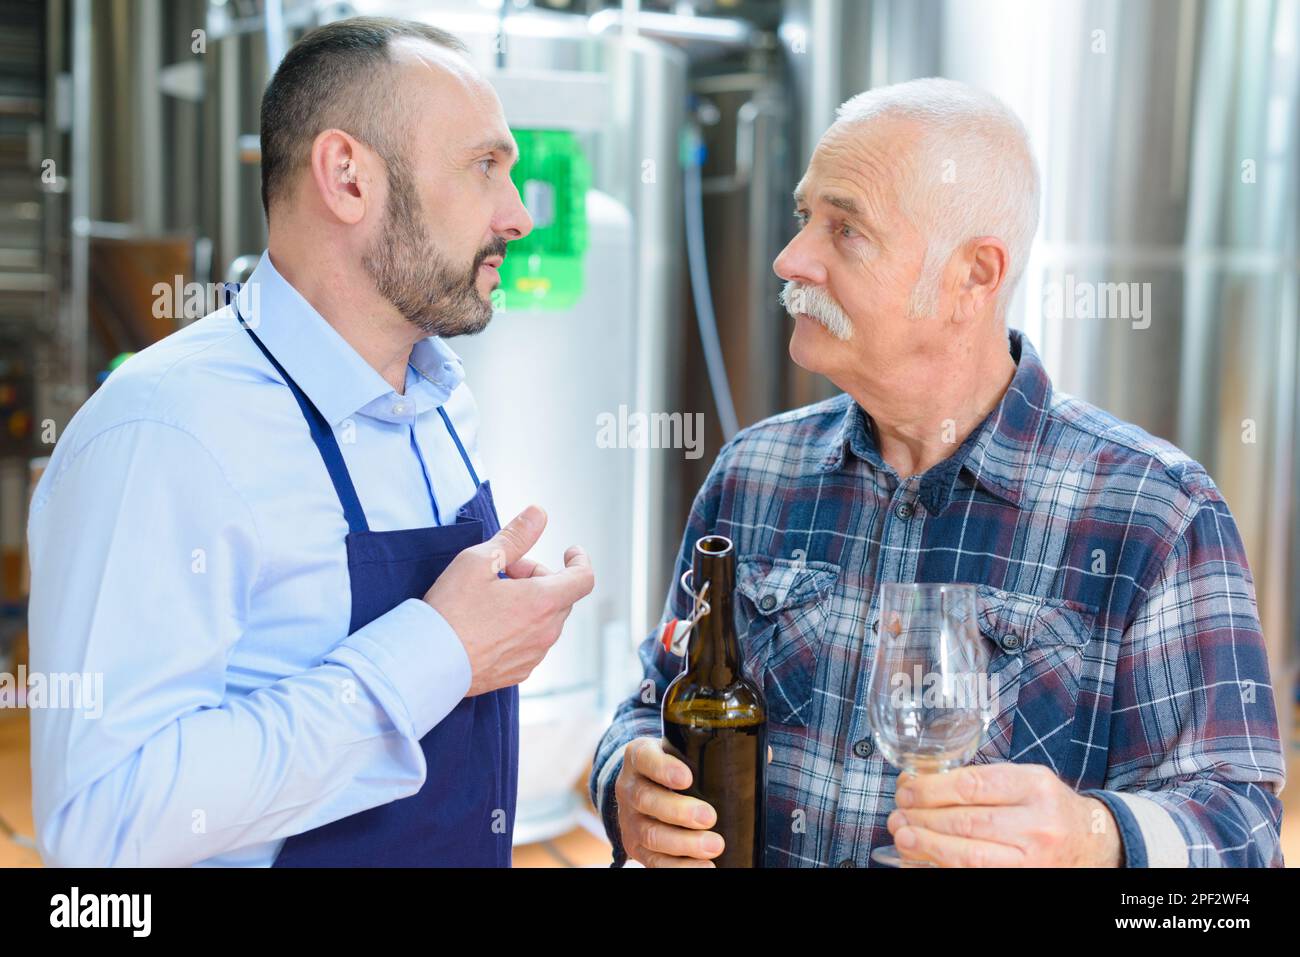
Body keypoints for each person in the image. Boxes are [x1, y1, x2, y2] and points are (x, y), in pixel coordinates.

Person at [590, 77, 1285, 868]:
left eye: (844, 229)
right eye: (803, 217)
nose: (791, 259)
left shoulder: (1156, 513)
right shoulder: (753, 474)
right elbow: (652, 704)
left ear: (975, 277)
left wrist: (1093, 835)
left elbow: (1243, 834)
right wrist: (628, 784)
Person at [27, 16, 594, 867]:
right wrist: (438, 651)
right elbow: (103, 823)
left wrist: (492, 622)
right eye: (485, 166)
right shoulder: (163, 433)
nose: (518, 216)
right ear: (347, 178)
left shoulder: (443, 401)